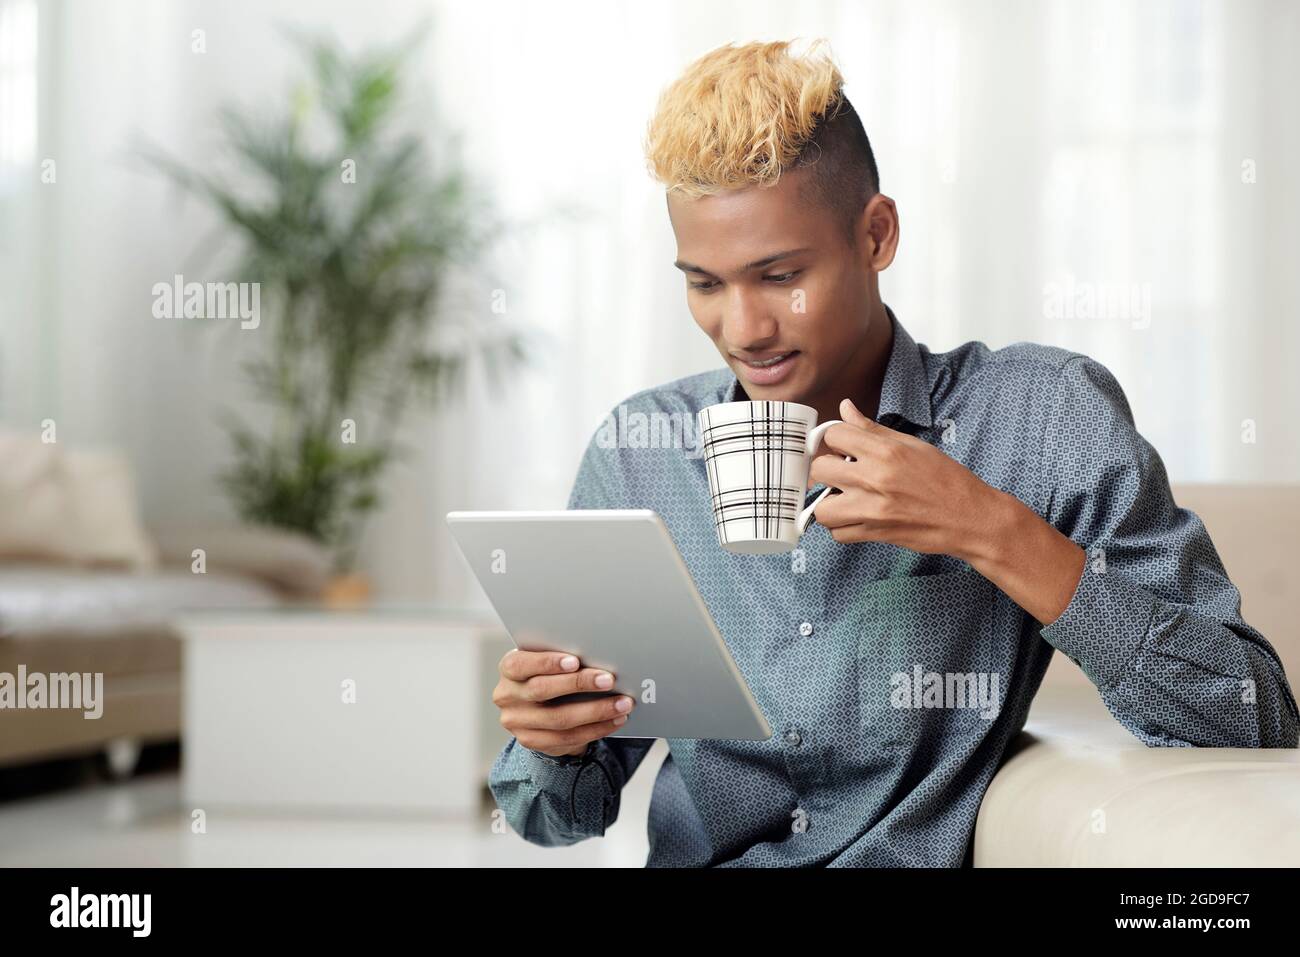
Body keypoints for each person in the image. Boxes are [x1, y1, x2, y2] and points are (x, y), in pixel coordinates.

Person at [487, 38, 1299, 866]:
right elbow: (557, 817)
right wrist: (551, 737)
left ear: (875, 235)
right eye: (705, 283)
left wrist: (992, 529)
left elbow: (1255, 718)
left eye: (779, 275)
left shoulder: (1038, 418)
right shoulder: (638, 455)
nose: (742, 328)